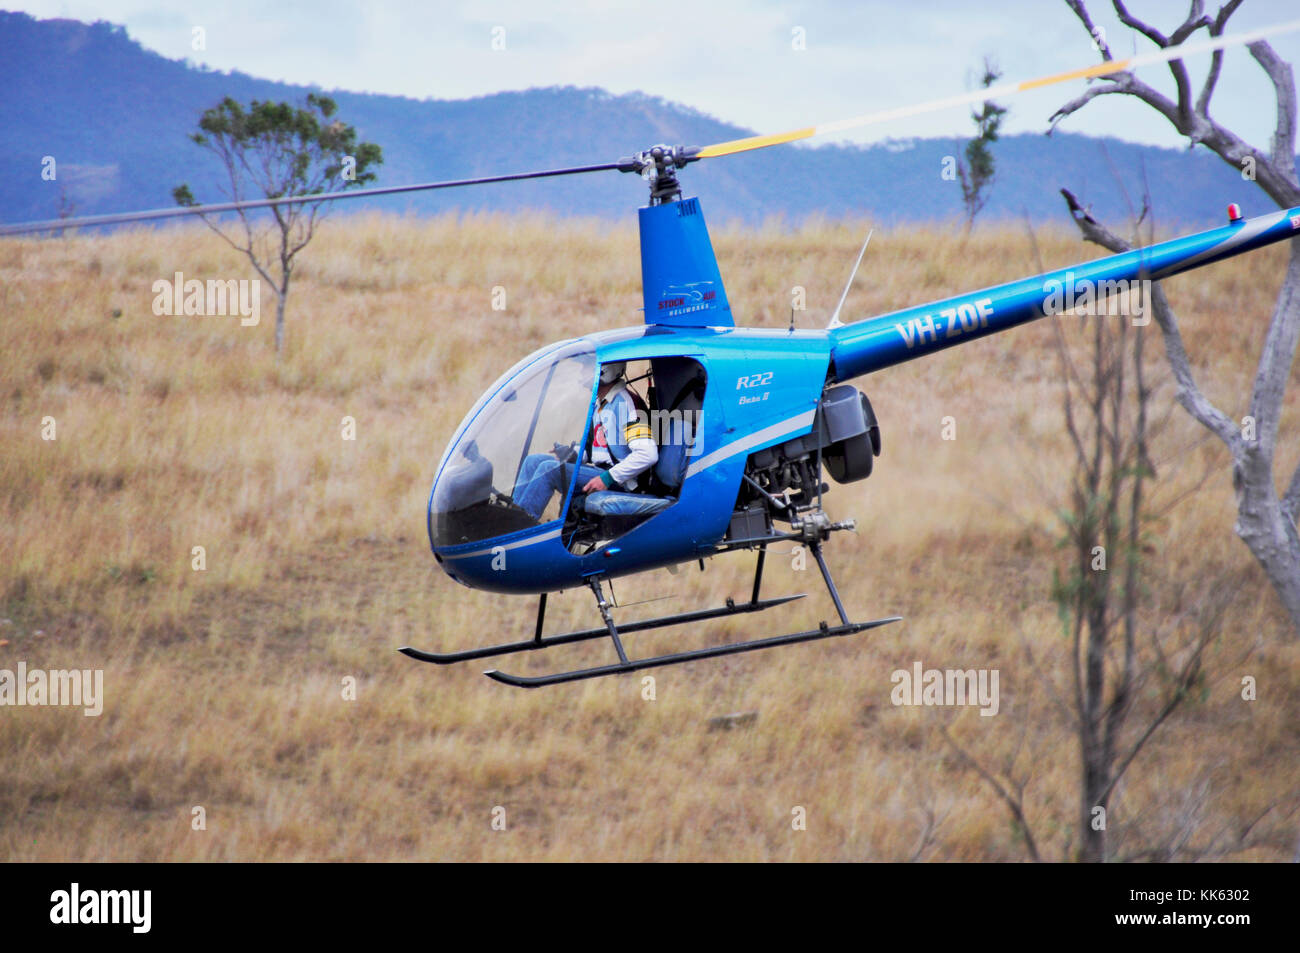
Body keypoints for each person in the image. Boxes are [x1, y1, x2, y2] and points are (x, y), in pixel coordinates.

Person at [514, 361, 658, 520]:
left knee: (548, 469)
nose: (582, 372)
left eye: (586, 367)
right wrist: (571, 454)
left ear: (605, 371)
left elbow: (647, 454)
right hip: (601, 471)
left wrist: (607, 478)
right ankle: (509, 519)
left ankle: (520, 525)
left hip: (623, 482)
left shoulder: (626, 404)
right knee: (533, 461)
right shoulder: (601, 403)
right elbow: (592, 449)